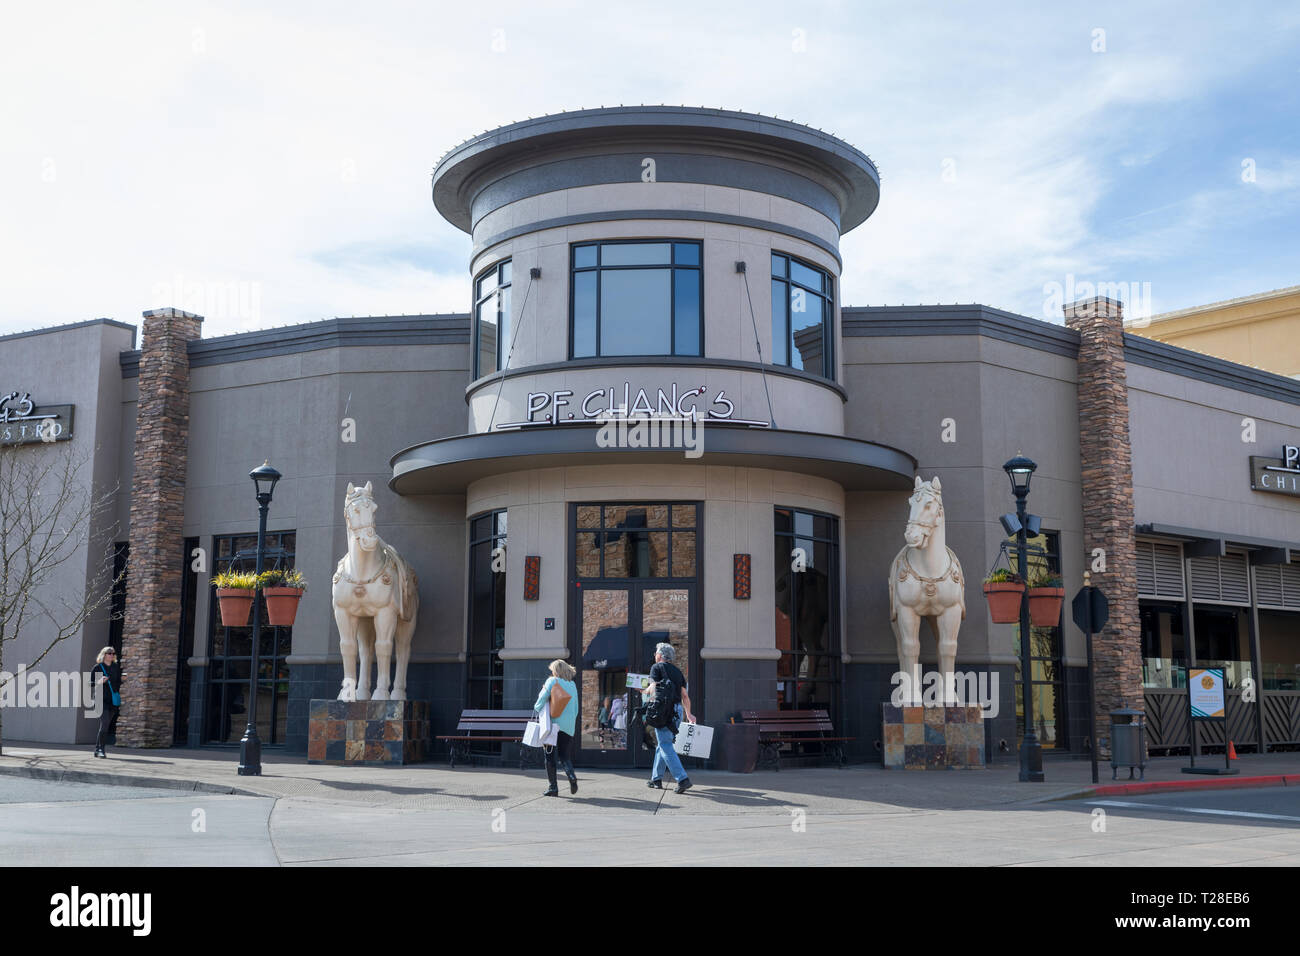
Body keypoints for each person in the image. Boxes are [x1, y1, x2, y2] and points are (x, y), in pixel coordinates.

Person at [645, 642, 696, 794]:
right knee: (663, 743)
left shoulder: (656, 667)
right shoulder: (677, 672)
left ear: (660, 655)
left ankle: (682, 779)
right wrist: (689, 714)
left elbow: (653, 688)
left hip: (663, 710)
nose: (654, 655)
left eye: (655, 653)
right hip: (677, 711)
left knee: (665, 745)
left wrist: (646, 694)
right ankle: (656, 779)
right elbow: (685, 695)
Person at [534, 659, 579, 796]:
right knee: (565, 756)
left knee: (549, 756)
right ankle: (571, 776)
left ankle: (553, 788)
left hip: (553, 725)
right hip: (569, 725)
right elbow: (576, 708)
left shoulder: (552, 681)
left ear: (556, 670)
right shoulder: (573, 685)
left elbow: (541, 700)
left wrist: (537, 708)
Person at [93, 646, 122, 758]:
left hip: (112, 700)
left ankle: (97, 749)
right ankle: (101, 749)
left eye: (113, 653)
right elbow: (90, 682)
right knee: (104, 723)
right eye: (109, 653)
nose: (111, 655)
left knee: (105, 725)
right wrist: (99, 681)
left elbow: (118, 682)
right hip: (100, 699)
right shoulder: (98, 667)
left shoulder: (115, 667)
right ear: (104, 654)